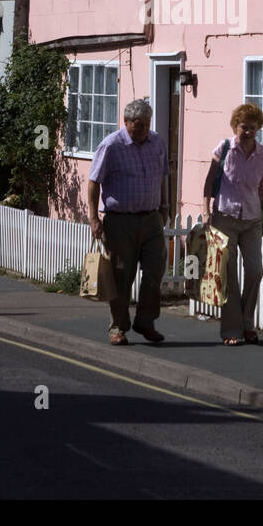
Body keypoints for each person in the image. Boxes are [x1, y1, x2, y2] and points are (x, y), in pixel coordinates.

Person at [89, 98, 169, 346]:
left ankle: (146, 321)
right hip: (120, 221)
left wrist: (164, 206)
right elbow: (93, 183)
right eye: (138, 125)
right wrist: (93, 218)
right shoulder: (111, 145)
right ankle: (118, 326)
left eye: (146, 124)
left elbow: (163, 175)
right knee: (122, 275)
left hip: (151, 219)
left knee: (155, 271)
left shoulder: (157, 142)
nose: (143, 130)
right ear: (126, 122)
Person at [202, 102, 263, 346]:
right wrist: (205, 213)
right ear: (236, 126)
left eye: (253, 128)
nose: (248, 132)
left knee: (255, 271)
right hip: (225, 217)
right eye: (244, 127)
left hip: (252, 219)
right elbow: (209, 182)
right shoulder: (223, 149)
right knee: (230, 276)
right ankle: (233, 330)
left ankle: (246, 322)